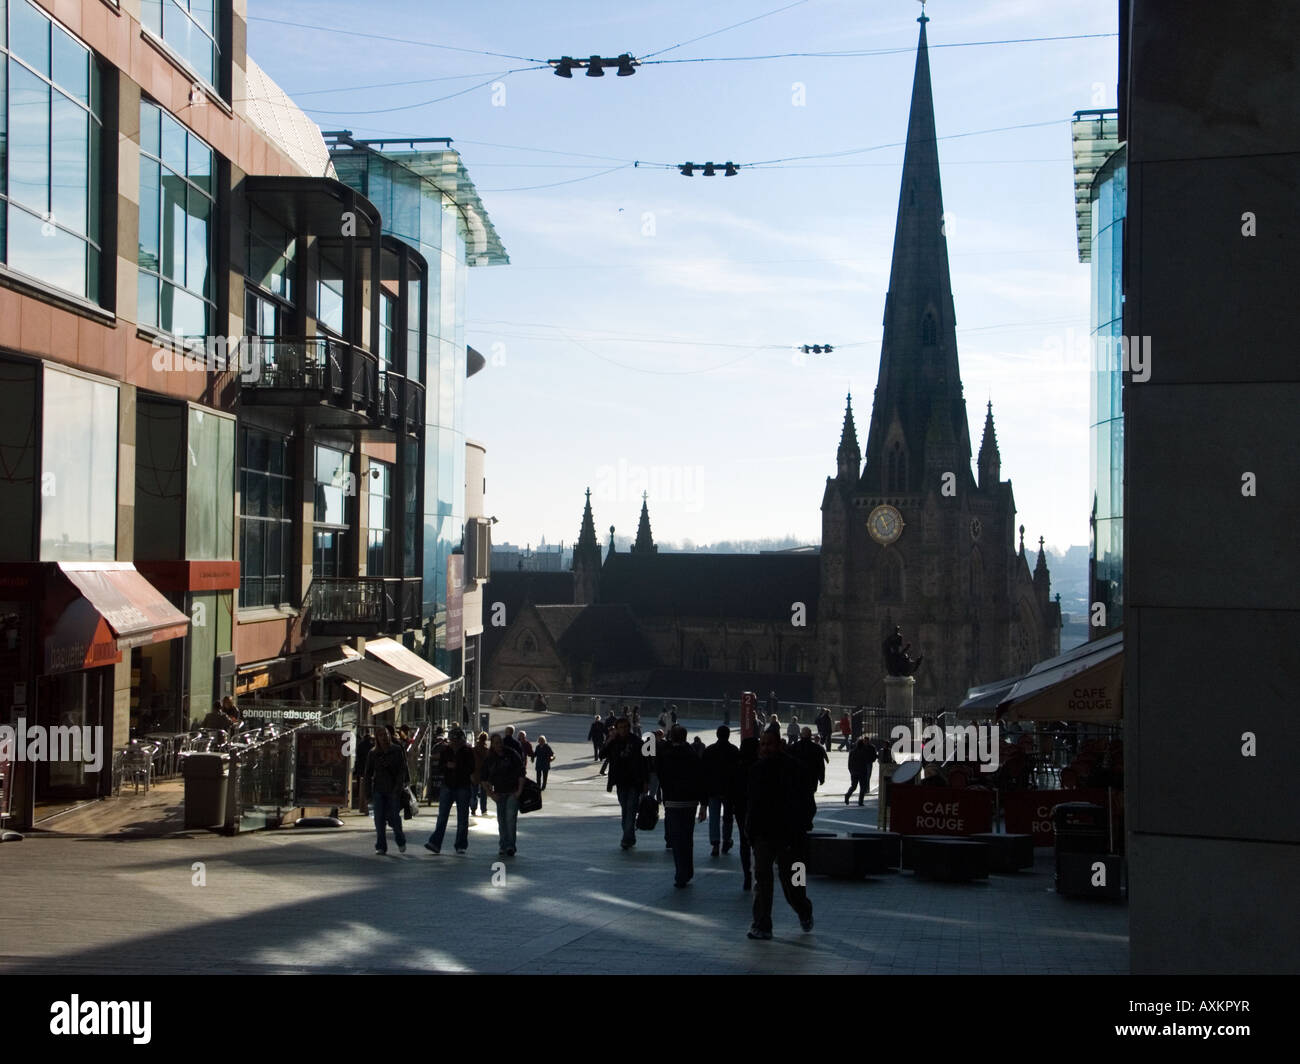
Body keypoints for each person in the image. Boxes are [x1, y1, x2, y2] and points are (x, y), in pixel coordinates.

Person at [746, 725, 815, 938]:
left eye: (769, 744)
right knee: (762, 881)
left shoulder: (796, 769)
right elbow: (753, 805)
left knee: (794, 881)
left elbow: (808, 804)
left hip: (791, 837)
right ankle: (762, 924)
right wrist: (752, 833)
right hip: (765, 836)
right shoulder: (756, 770)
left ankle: (804, 909)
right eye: (763, 744)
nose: (765, 748)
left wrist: (801, 826)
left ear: (780, 745)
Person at [656, 725, 707, 888]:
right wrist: (703, 804)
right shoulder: (692, 755)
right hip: (690, 801)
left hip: (672, 801)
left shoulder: (666, 755)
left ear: (672, 737)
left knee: (677, 839)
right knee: (687, 837)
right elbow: (701, 779)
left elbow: (660, 774)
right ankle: (688, 869)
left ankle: (681, 873)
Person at [425, 728, 476, 854]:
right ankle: (435, 843)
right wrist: (446, 766)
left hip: (462, 786)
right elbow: (441, 766)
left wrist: (456, 766)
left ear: (461, 740)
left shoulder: (468, 751)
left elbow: (471, 768)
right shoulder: (446, 751)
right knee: (442, 816)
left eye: (456, 740)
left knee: (463, 817)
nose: (454, 743)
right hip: (448, 785)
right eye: (452, 740)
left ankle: (461, 845)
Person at [603, 717, 648, 850]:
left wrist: (646, 781)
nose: (623, 730)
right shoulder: (614, 742)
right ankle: (630, 836)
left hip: (635, 781)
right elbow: (602, 754)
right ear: (616, 729)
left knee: (631, 809)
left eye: (625, 727)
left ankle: (626, 838)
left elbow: (645, 763)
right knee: (626, 810)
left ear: (629, 728)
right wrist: (610, 740)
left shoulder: (638, 742)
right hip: (620, 781)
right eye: (620, 728)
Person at [365, 725, 409, 855]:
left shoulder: (396, 750)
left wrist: (399, 787)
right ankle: (381, 845)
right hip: (379, 789)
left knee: (394, 817)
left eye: (386, 734)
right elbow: (368, 774)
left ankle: (400, 839)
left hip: (393, 789)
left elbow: (402, 770)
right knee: (379, 819)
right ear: (377, 738)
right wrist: (367, 793)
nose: (384, 737)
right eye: (381, 735)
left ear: (389, 736)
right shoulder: (373, 753)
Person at [482, 732, 525, 857]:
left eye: (500, 742)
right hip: (499, 793)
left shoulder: (511, 754)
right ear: (492, 745)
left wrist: (519, 791)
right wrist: (491, 794)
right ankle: (503, 845)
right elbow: (483, 778)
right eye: (496, 743)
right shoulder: (490, 758)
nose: (499, 745)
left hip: (512, 792)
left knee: (510, 819)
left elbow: (521, 772)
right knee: (501, 821)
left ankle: (510, 846)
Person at [702, 725, 740, 857]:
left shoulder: (709, 750)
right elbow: (737, 773)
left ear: (717, 735)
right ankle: (726, 840)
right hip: (729, 790)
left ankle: (715, 844)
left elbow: (704, 773)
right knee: (728, 818)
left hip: (713, 789)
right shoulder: (734, 751)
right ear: (728, 735)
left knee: (714, 817)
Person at [732, 735, 760, 891]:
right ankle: (758, 872)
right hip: (759, 809)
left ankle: (747, 875)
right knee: (759, 842)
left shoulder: (738, 767)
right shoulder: (762, 766)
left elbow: (732, 790)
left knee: (744, 842)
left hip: (741, 809)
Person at [792, 726, 828, 797]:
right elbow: (821, 765)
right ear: (811, 735)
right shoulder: (817, 748)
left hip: (798, 777)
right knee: (810, 797)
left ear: (801, 735)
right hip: (812, 778)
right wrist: (821, 778)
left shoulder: (794, 747)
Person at [846, 736, 877, 805]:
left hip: (854, 771)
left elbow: (849, 763)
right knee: (863, 787)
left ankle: (848, 795)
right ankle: (860, 801)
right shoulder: (864, 751)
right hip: (862, 771)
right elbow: (868, 760)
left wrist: (851, 771)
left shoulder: (852, 752)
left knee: (853, 786)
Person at [470, 731, 492, 817]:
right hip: (484, 774)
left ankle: (473, 809)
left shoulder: (473, 750)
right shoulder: (487, 751)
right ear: (486, 739)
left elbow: (470, 762)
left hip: (475, 773)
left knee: (474, 793)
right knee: (484, 793)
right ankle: (483, 809)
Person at [354, 726, 374, 816]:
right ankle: (367, 808)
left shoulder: (360, 745)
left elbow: (358, 757)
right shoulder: (372, 746)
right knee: (369, 789)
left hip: (361, 769)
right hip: (369, 770)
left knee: (362, 788)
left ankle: (362, 806)